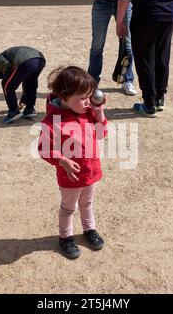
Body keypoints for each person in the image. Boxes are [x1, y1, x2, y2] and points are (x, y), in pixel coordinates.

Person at [38, 66, 108, 259]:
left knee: (87, 203)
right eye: (83, 98)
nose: (88, 102)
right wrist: (62, 160)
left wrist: (99, 113)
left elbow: (102, 134)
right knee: (69, 208)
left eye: (90, 96)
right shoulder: (52, 122)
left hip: (90, 171)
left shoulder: (88, 114)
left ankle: (89, 229)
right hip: (70, 176)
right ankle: (66, 237)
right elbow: (43, 149)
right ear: (65, 96)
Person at [116, 0, 173, 117]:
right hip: (168, 15)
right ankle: (159, 98)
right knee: (162, 56)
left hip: (145, 15)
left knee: (144, 59)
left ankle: (149, 104)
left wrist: (119, 22)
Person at [88, 0, 137, 96]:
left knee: (127, 44)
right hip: (101, 1)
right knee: (97, 45)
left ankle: (127, 79)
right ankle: (92, 80)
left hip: (125, 1)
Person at [0, 46, 46, 124]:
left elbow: (7, 67)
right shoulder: (8, 56)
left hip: (26, 61)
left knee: (7, 85)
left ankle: (13, 111)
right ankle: (29, 109)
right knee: (30, 83)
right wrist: (24, 100)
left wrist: (6, 78)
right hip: (40, 60)